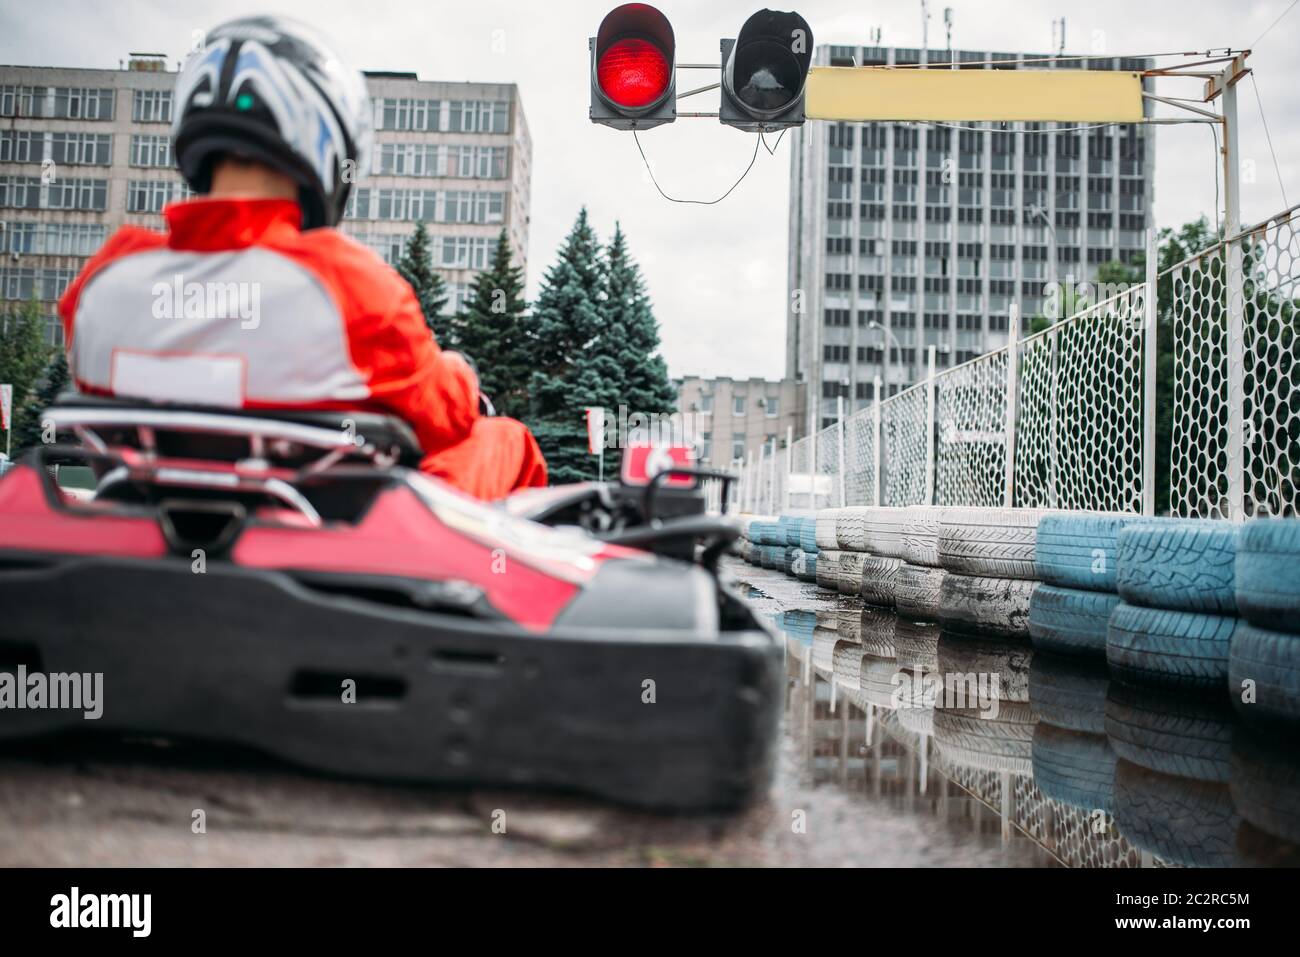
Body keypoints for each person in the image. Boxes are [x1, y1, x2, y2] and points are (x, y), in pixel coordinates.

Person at [57, 16, 546, 500]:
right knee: (506, 439)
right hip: (339, 543)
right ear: (323, 133)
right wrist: (460, 371)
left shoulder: (101, 281)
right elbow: (447, 419)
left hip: (145, 516)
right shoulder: (348, 284)